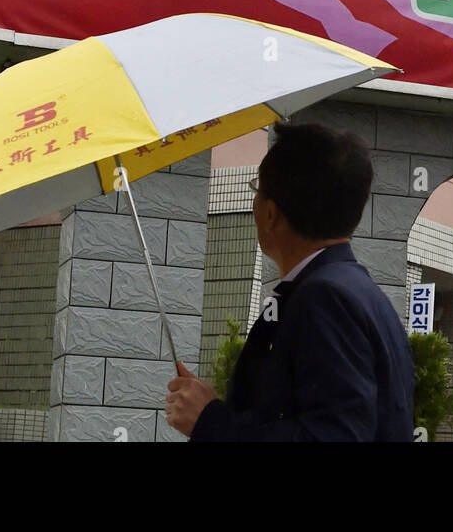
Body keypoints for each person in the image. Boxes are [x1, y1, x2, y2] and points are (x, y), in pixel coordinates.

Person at [165, 121, 415, 441]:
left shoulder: (324, 298)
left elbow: (335, 435)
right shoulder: (361, 293)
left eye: (257, 188)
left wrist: (212, 421)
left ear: (270, 213)